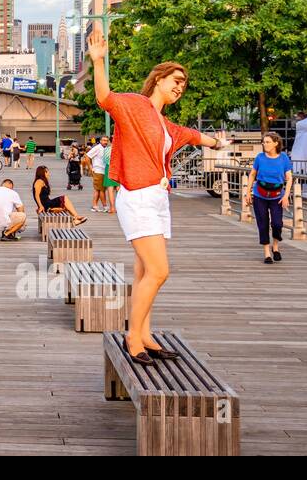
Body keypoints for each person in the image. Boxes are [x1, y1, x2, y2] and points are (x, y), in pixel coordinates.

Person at [88, 29, 228, 366]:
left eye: (184, 84)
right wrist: (98, 61)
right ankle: (132, 338)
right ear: (159, 78)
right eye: (176, 79)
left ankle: (146, 334)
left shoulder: (167, 125)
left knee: (143, 273)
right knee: (159, 271)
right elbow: (105, 98)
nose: (181, 86)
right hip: (136, 196)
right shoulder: (135, 106)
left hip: (157, 200)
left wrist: (218, 143)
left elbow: (195, 137)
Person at [246, 132, 294, 264]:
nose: (264, 144)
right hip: (260, 194)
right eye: (263, 142)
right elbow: (252, 175)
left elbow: (289, 178)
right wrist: (247, 192)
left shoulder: (283, 158)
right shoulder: (260, 158)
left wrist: (286, 196)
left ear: (275, 143)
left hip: (277, 195)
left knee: (277, 224)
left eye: (267, 142)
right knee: (263, 223)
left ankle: (276, 247)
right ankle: (267, 252)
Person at [86, 136, 109, 212]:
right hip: (98, 171)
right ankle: (105, 206)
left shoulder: (105, 148)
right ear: (100, 141)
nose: (105, 142)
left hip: (103, 171)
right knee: (102, 190)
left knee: (98, 190)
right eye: (104, 140)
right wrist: (90, 167)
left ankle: (94, 205)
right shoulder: (97, 148)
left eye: (106, 140)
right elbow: (87, 156)